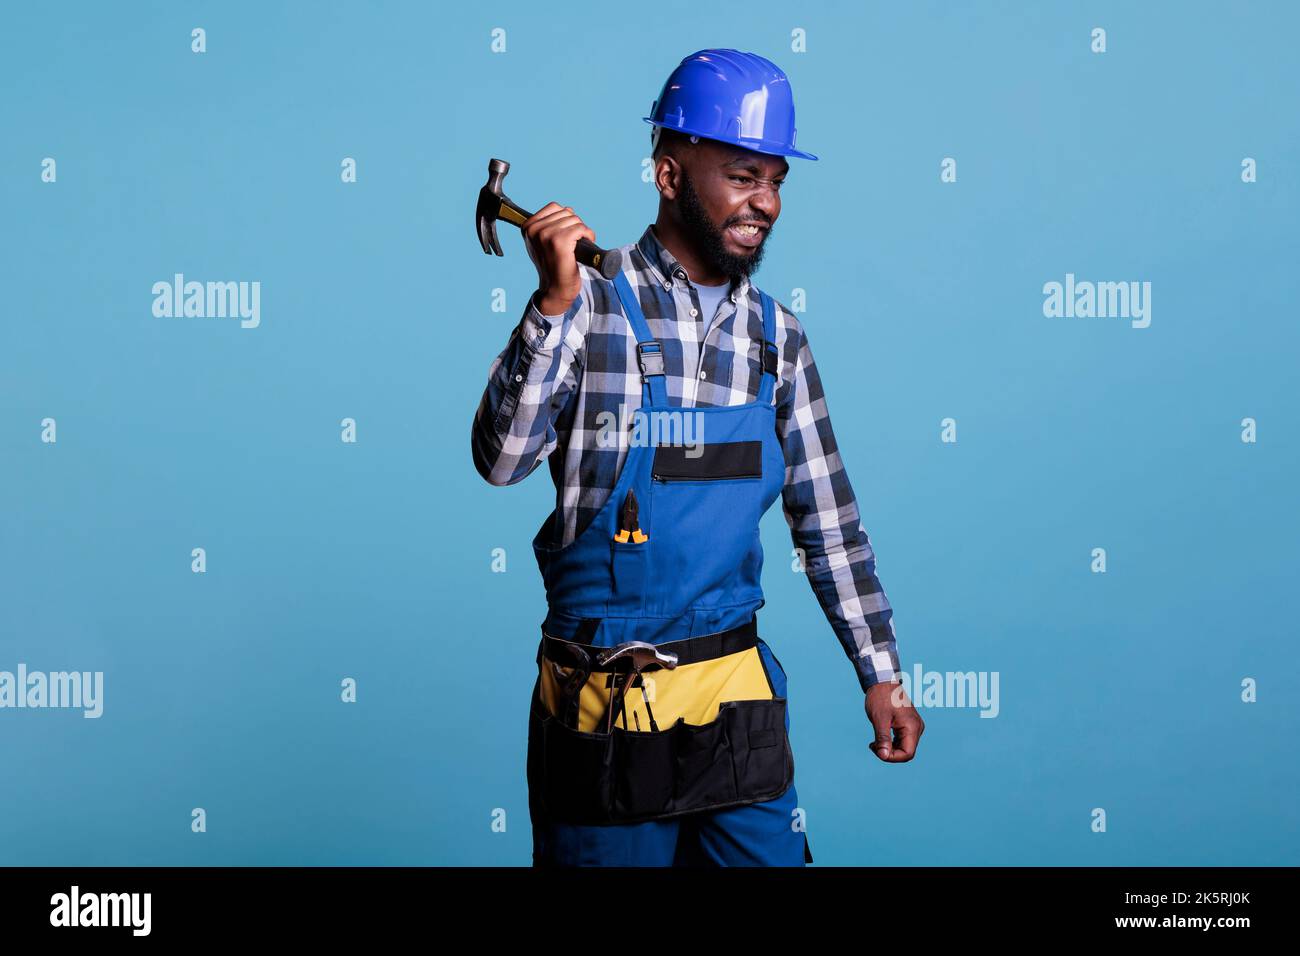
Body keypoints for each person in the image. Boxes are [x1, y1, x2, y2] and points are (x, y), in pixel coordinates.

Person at [471, 48, 924, 867]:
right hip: (604, 710)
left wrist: (880, 672)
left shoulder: (776, 338)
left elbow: (828, 522)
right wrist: (550, 304)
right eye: (743, 176)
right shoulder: (588, 304)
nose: (766, 204)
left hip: (735, 705)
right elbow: (500, 460)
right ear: (669, 175)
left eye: (776, 181)